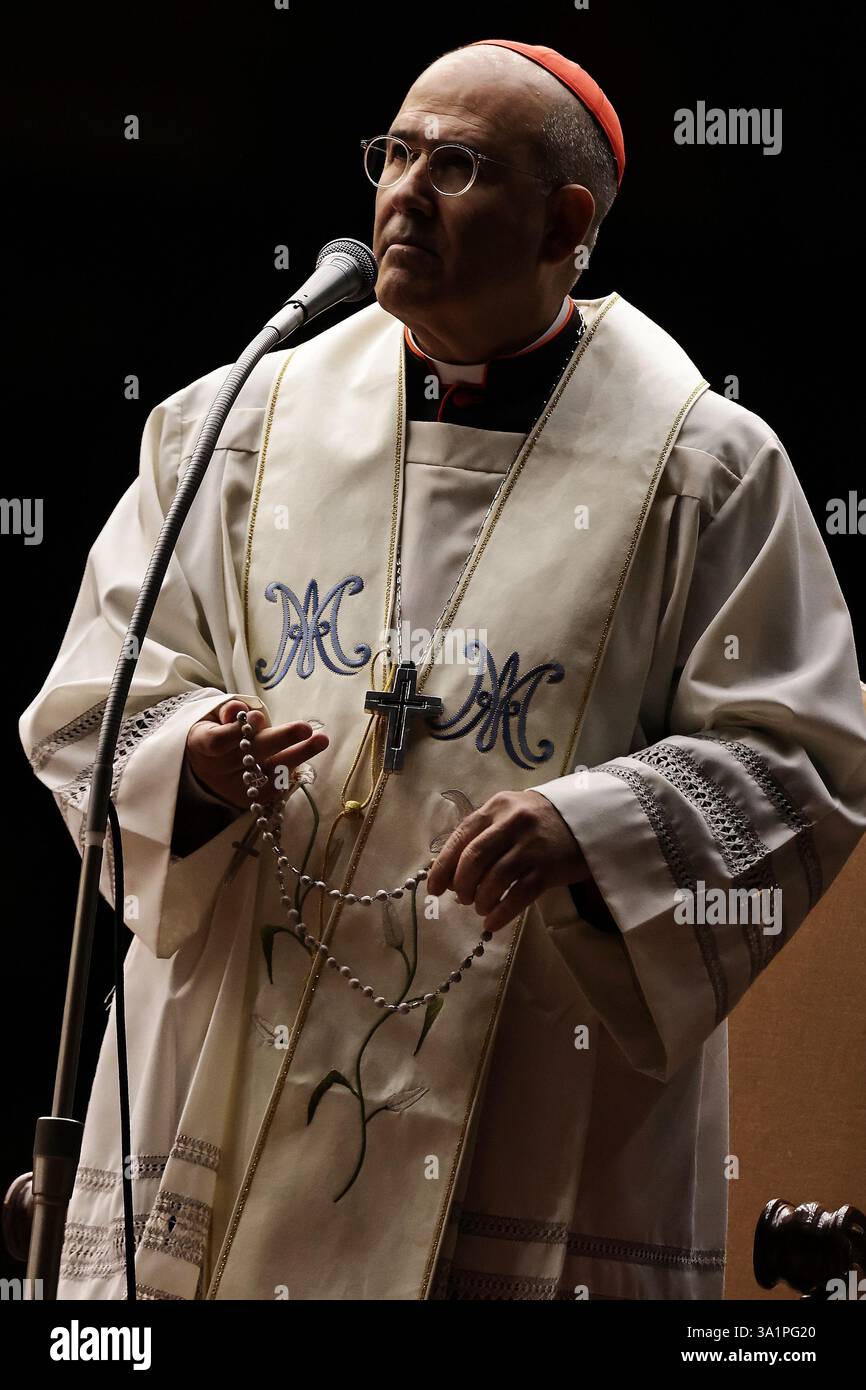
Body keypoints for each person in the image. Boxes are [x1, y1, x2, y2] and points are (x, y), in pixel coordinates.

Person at [19, 38, 866, 1301]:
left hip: (533, 1065)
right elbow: (99, 690)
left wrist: (596, 826)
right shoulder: (236, 423)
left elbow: (798, 758)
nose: (404, 193)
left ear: (565, 221)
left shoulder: (700, 465)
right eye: (396, 153)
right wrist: (185, 754)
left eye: (458, 166)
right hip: (237, 1031)